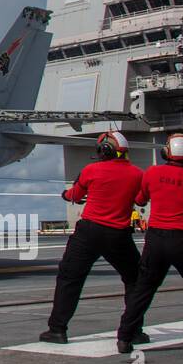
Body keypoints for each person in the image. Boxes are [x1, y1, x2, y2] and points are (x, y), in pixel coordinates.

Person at [116, 134, 183, 354]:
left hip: (156, 239)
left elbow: (140, 200)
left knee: (143, 290)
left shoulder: (152, 172)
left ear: (166, 152)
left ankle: (124, 338)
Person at [40, 131, 144, 344]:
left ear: (103, 150)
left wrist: (65, 194)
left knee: (70, 278)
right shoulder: (137, 174)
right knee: (135, 280)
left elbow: (74, 196)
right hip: (119, 235)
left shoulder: (91, 170)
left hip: (89, 233)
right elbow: (141, 200)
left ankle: (57, 330)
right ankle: (134, 330)